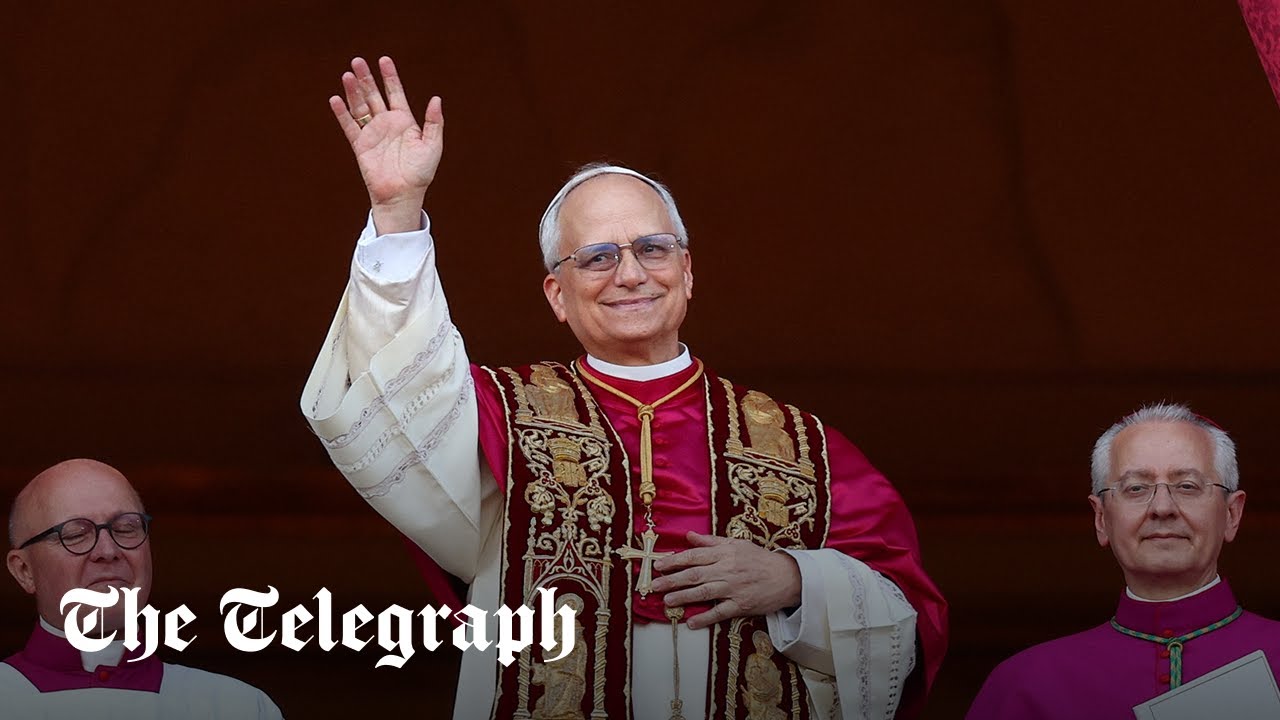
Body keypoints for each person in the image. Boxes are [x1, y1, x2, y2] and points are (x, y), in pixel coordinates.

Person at [301, 56, 948, 720]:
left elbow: (911, 619)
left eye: (653, 249)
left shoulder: (804, 447)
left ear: (688, 272)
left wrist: (795, 581)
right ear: (558, 293)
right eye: (598, 257)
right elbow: (393, 396)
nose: (630, 274)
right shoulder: (498, 419)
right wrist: (397, 210)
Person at [966, 402, 1280, 718]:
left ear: (1231, 514)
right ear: (1101, 518)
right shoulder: (1027, 684)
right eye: (1136, 488)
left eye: (1187, 486)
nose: (1162, 507)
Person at [2, 459, 284, 718]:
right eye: (75, 535)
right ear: (24, 570)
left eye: (126, 528)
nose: (108, 550)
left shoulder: (236, 708)